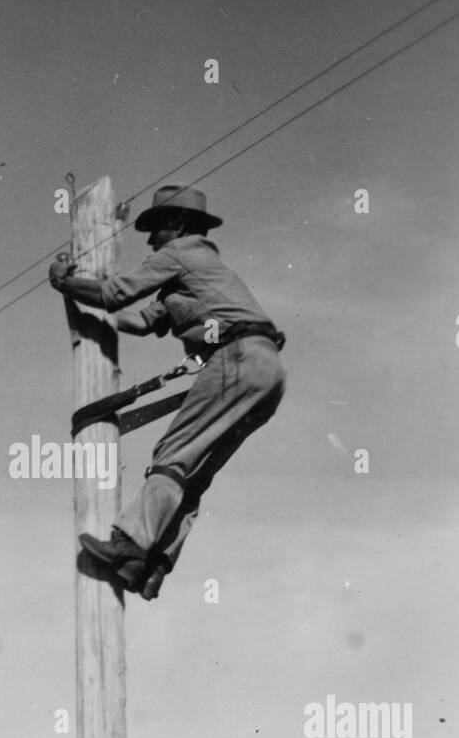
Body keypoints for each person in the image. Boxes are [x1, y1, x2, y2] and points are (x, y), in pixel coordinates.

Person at [49, 184, 286, 600]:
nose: (150, 239)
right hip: (266, 372)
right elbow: (136, 320)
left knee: (174, 456)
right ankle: (153, 564)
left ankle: (131, 542)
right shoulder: (193, 275)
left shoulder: (179, 253)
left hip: (237, 358)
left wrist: (65, 282)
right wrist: (80, 309)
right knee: (195, 471)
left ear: (176, 224)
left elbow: (112, 294)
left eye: (155, 228)